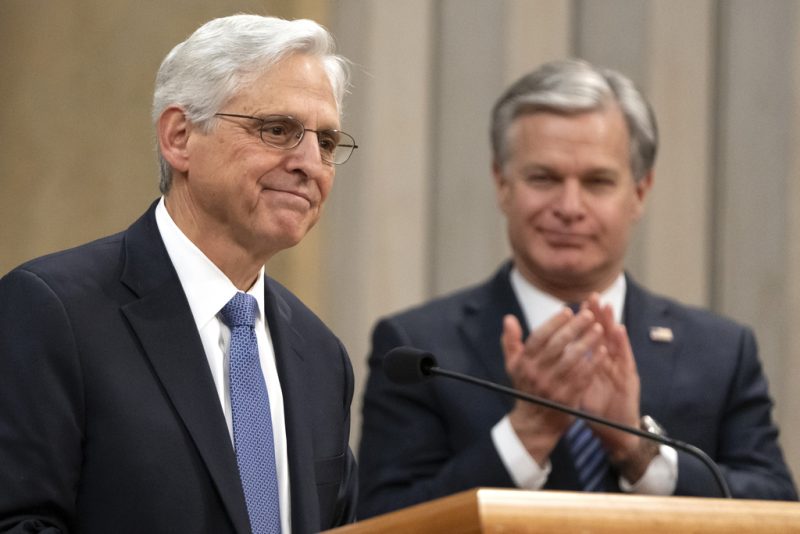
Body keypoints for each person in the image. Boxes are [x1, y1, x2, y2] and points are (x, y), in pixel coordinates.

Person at [357, 58, 797, 518]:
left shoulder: (720, 351)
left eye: (597, 181)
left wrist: (636, 448)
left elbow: (775, 509)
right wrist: (526, 434)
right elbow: (383, 518)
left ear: (640, 192)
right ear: (502, 184)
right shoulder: (419, 351)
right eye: (543, 178)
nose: (569, 207)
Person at [0, 14, 359, 534]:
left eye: (326, 142)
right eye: (277, 130)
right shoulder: (53, 312)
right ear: (180, 136)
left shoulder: (321, 355)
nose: (309, 162)